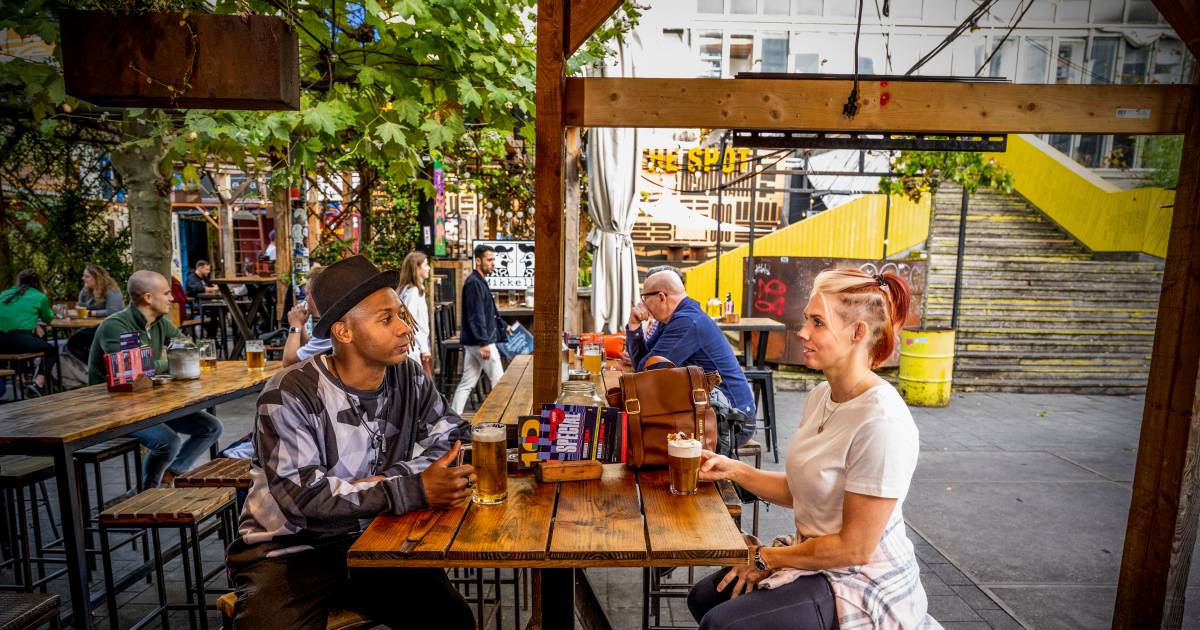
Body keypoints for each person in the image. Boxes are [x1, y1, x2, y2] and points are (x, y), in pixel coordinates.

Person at [228, 254, 475, 629]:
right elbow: (306, 499)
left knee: (452, 621)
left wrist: (396, 482)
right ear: (343, 332)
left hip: (377, 538)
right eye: (386, 319)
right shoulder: (290, 392)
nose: (404, 328)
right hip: (289, 552)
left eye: (401, 314)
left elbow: (454, 439)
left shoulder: (407, 376)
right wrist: (411, 488)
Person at [687, 269, 938, 629]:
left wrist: (765, 558)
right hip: (814, 554)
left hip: (858, 577)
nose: (802, 332)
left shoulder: (882, 421)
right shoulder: (821, 395)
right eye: (806, 320)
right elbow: (804, 490)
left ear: (857, 333)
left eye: (817, 323)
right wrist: (732, 468)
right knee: (704, 598)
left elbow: (856, 547)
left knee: (722, 624)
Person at [87, 271, 223, 488]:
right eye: (167, 293)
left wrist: (157, 363)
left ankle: (169, 475)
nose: (172, 298)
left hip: (147, 402)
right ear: (148, 297)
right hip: (112, 408)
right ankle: (146, 493)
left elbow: (188, 349)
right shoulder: (115, 326)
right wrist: (169, 361)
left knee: (211, 427)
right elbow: (132, 370)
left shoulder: (159, 323)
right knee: (167, 441)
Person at [626, 268, 755, 449]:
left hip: (732, 420)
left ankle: (674, 477)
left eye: (645, 297)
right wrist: (634, 326)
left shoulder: (687, 321)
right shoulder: (673, 318)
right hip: (710, 408)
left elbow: (644, 374)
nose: (644, 304)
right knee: (641, 426)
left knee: (641, 436)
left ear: (662, 297)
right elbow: (643, 364)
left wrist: (637, 341)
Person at [450, 244, 507, 414]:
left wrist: (504, 326)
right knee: (499, 381)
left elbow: (489, 312)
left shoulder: (478, 281)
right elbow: (476, 315)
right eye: (489, 260)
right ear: (479, 261)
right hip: (481, 343)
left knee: (467, 382)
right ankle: (502, 419)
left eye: (494, 260)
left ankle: (454, 416)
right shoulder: (474, 283)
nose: (493, 263)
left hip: (475, 342)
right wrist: (484, 342)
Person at [0, 269, 57, 395]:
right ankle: (39, 382)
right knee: (51, 351)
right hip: (20, 341)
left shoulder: (4, 293)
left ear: (18, 281)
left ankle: (20, 379)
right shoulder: (40, 296)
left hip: (1, 341)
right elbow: (48, 319)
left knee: (17, 342)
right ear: (38, 282)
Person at [282, 266, 331, 366]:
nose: (306, 300)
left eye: (308, 295)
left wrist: (295, 326)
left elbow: (289, 362)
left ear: (320, 296)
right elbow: (306, 352)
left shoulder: (330, 327)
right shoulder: (332, 319)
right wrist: (300, 325)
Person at [397, 251, 433, 376]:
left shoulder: (408, 290)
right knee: (419, 386)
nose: (428, 268)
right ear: (416, 268)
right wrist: (424, 348)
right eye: (425, 265)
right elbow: (411, 322)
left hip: (412, 347)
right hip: (414, 348)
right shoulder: (413, 292)